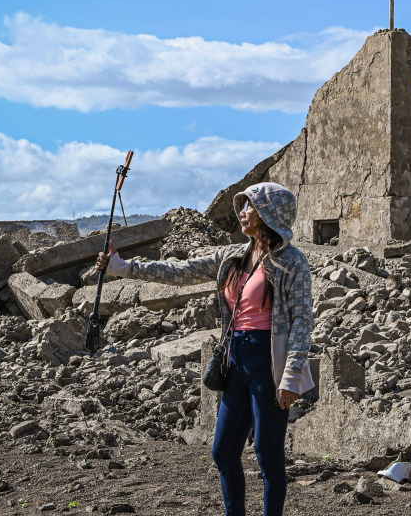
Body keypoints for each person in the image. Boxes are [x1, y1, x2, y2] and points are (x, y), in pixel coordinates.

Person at [96, 182, 314, 516]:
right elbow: (181, 271)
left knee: (268, 456)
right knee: (223, 452)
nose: (242, 212)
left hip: (269, 362)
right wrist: (123, 267)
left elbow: (302, 320)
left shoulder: (293, 262)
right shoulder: (233, 255)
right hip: (235, 357)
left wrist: (292, 376)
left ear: (269, 214)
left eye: (250, 207)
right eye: (243, 206)